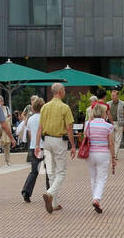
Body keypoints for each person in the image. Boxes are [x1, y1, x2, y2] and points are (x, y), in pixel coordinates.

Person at [34, 82, 77, 213]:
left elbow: (40, 128)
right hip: (59, 141)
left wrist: (37, 145)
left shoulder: (44, 107)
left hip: (46, 140)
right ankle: (50, 193)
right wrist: (73, 145)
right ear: (59, 91)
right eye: (63, 89)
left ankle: (54, 203)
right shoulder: (64, 107)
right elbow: (69, 128)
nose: (64, 91)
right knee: (61, 172)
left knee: (51, 171)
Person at [85, 102, 117, 211]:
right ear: (104, 114)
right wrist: (113, 157)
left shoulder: (87, 124)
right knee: (101, 178)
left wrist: (90, 118)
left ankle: (95, 198)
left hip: (90, 153)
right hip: (103, 153)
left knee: (93, 178)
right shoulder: (108, 126)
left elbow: (86, 137)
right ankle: (96, 198)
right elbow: (111, 143)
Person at [21, 96, 49, 202]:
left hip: (33, 147)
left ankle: (26, 191)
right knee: (48, 170)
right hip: (44, 146)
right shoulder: (44, 117)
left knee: (34, 171)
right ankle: (50, 192)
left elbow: (29, 134)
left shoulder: (30, 119)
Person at [108, 89, 124, 160]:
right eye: (112, 95)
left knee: (118, 140)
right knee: (111, 140)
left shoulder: (123, 104)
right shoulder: (108, 103)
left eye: (114, 95)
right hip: (110, 123)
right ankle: (112, 153)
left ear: (117, 95)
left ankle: (115, 154)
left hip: (119, 123)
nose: (112, 97)